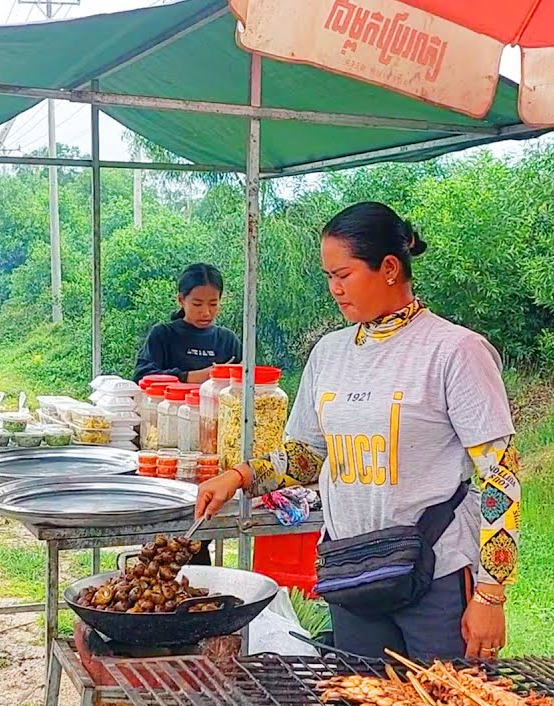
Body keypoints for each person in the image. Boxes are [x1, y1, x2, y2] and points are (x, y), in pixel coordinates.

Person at [195, 202, 520, 663]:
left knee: (445, 705)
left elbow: (499, 476)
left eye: (343, 275)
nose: (334, 289)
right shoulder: (330, 353)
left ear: (389, 268)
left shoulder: (455, 351)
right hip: (352, 569)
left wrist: (491, 593)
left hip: (434, 572)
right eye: (328, 276)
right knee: (365, 702)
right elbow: (308, 453)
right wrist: (242, 476)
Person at [133, 263, 242, 383]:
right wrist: (190, 377)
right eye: (197, 304)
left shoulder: (227, 340)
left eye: (213, 304)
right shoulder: (163, 335)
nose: (206, 312)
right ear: (181, 300)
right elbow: (141, 376)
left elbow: (248, 379)